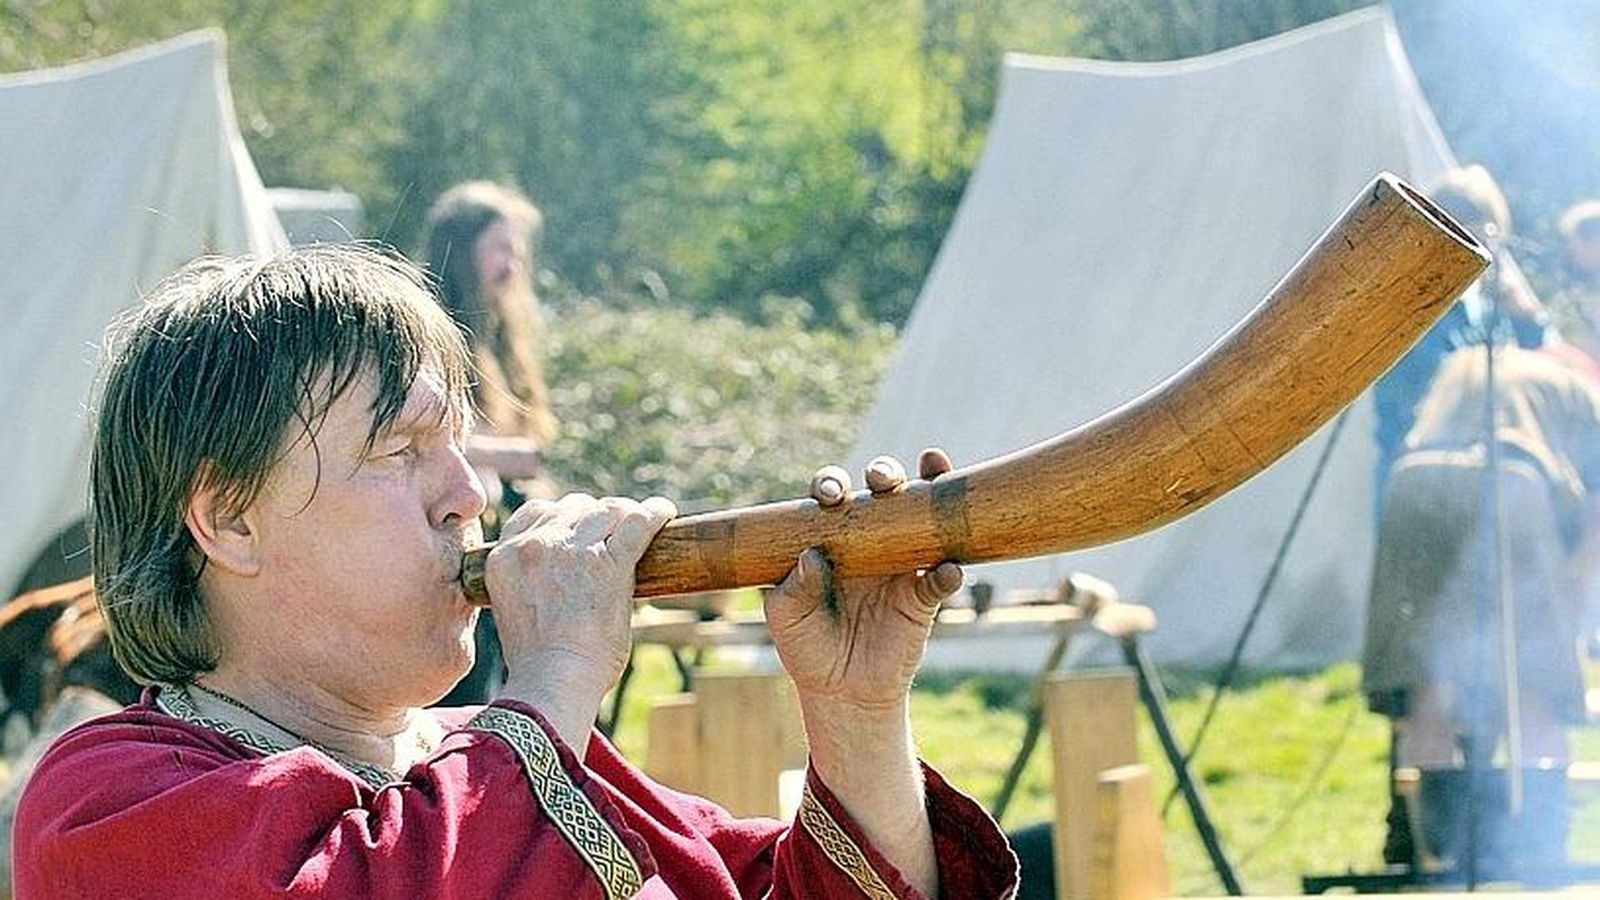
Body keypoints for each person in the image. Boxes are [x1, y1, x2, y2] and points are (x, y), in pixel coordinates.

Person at [12, 245, 1017, 899]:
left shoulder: (494, 754)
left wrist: (855, 707)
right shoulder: (105, 801)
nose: (465, 498)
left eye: (459, 452)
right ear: (229, 518)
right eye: (400, 453)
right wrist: (552, 682)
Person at [1364, 344, 1600, 873]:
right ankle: (1538, 850)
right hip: (1513, 482)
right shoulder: (1574, 391)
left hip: (1413, 483)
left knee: (1428, 685)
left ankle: (1441, 852)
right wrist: (1570, 603)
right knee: (1532, 687)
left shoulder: (1463, 366)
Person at [421, 181, 560, 704]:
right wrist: (506, 455)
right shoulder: (430, 332)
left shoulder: (499, 332)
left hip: (499, 527)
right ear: (463, 251)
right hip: (450, 532)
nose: (513, 263)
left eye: (517, 249)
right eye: (500, 247)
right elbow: (415, 434)